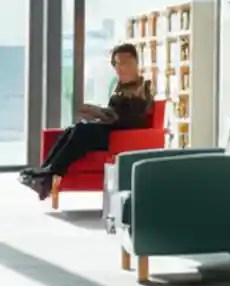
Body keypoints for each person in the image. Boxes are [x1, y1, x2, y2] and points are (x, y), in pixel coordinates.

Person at [18, 43, 155, 200]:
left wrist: (107, 116)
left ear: (135, 62)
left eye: (124, 63)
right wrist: (99, 114)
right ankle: (46, 173)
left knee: (82, 130)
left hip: (123, 137)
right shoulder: (121, 87)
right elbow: (114, 114)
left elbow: (132, 118)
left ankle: (48, 175)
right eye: (116, 64)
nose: (119, 68)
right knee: (73, 129)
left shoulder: (142, 87)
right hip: (113, 130)